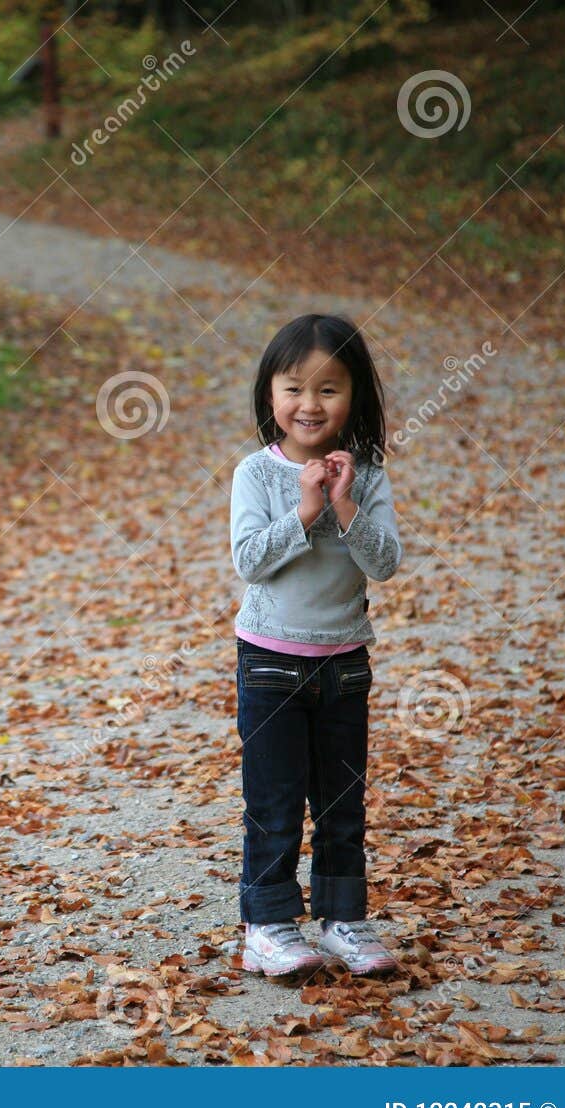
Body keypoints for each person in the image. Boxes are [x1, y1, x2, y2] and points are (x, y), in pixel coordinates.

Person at [228, 313, 403, 981]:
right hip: (270, 663)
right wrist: (303, 510)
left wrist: (346, 503)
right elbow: (249, 559)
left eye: (329, 389)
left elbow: (385, 562)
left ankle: (342, 918)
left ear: (355, 395)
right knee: (274, 801)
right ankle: (267, 925)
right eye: (294, 388)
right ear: (270, 395)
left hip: (343, 665)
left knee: (341, 800)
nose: (309, 404)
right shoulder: (256, 473)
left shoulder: (369, 476)